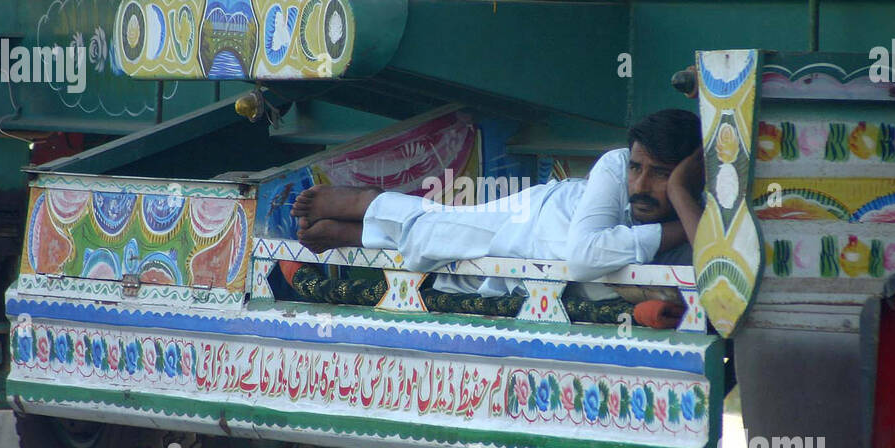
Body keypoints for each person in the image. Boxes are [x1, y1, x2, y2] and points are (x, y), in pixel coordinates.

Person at [293, 108, 704, 297]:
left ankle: (358, 232)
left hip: (539, 265)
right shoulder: (615, 164)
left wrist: (682, 196)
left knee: (444, 258)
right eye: (637, 168)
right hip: (540, 219)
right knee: (440, 230)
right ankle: (368, 203)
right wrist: (676, 228)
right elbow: (584, 256)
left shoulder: (699, 211)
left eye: (662, 174)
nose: (641, 184)